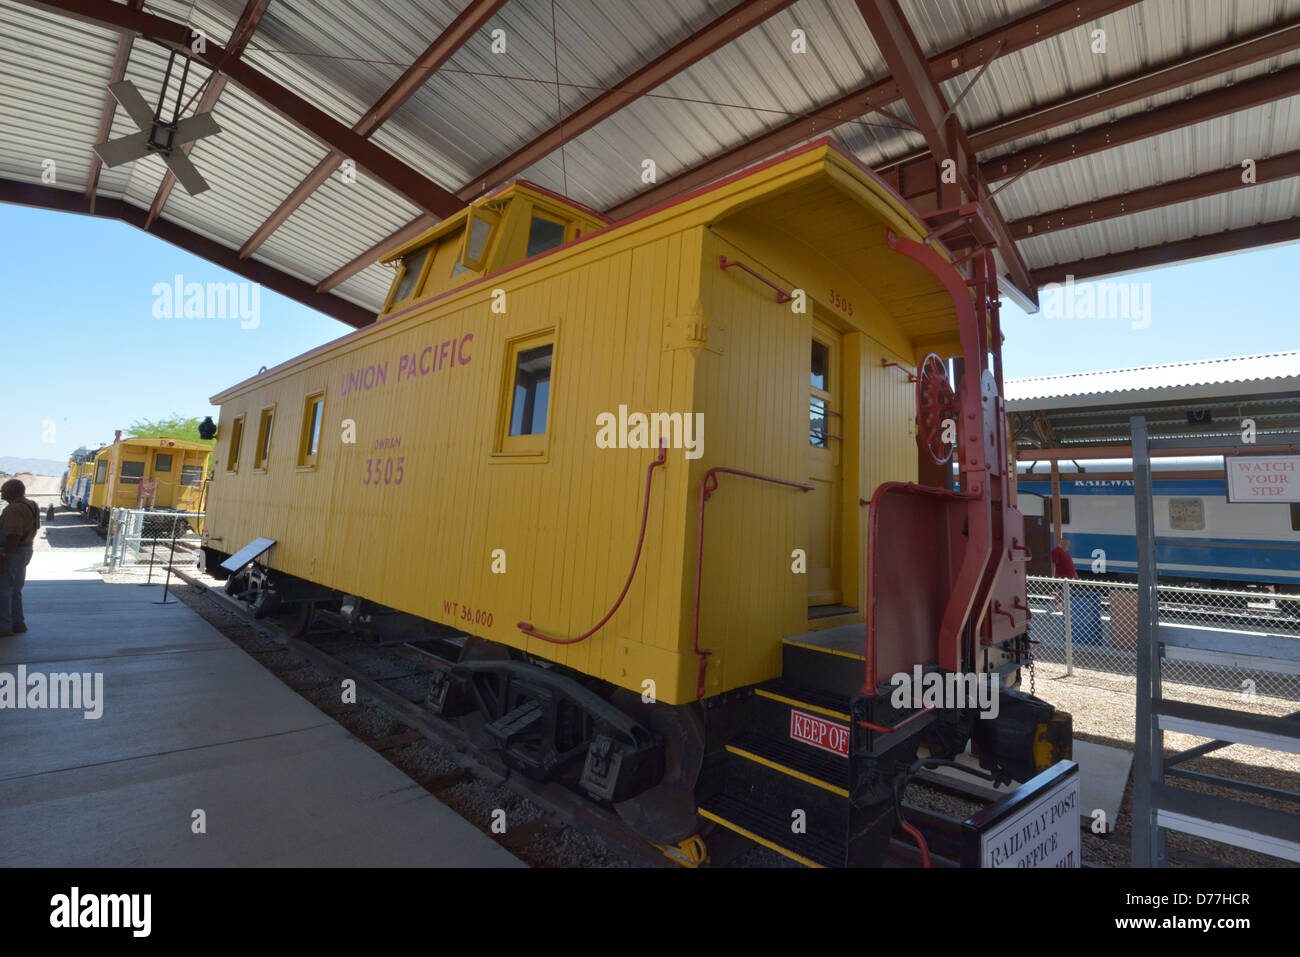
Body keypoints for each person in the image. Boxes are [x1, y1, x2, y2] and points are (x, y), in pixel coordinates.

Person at [0, 478, 40, 637]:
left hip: (12, 552)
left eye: (3, 491)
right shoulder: (32, 505)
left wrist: (4, 555)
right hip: (25, 550)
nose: (2, 495)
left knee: (3, 591)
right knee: (16, 589)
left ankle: (4, 627)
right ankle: (18, 623)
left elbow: (13, 535)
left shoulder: (13, 509)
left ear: (10, 492)